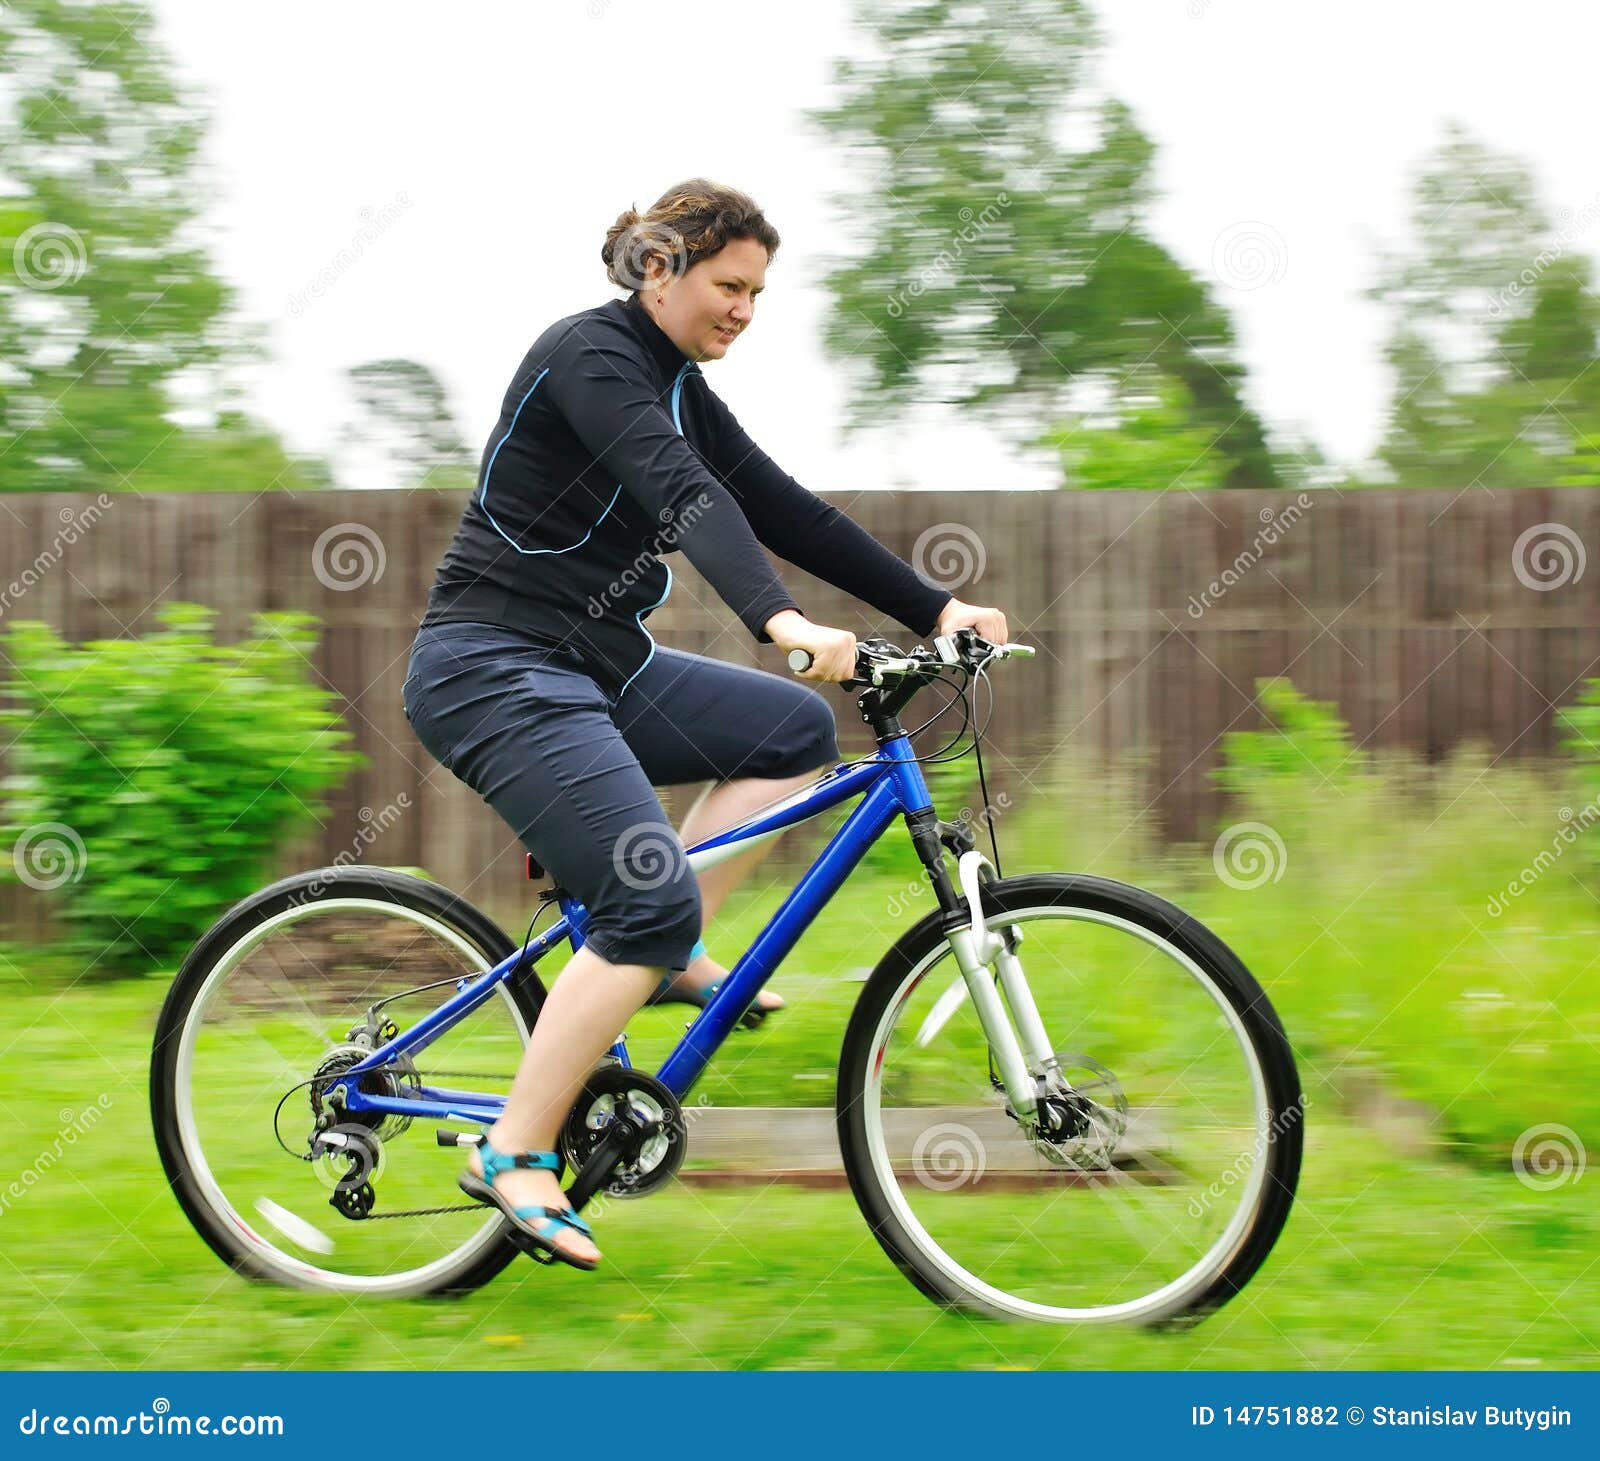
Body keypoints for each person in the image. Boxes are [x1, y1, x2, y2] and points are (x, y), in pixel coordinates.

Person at [402, 178, 1008, 1270]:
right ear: (658, 268)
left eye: (758, 292)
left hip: (598, 663)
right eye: (730, 285)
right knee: (641, 891)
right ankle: (516, 1148)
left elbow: (781, 508)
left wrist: (936, 610)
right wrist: (776, 616)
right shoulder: (588, 357)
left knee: (787, 736)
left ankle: (669, 946)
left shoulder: (677, 385)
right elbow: (683, 494)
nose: (744, 309)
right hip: (493, 665)